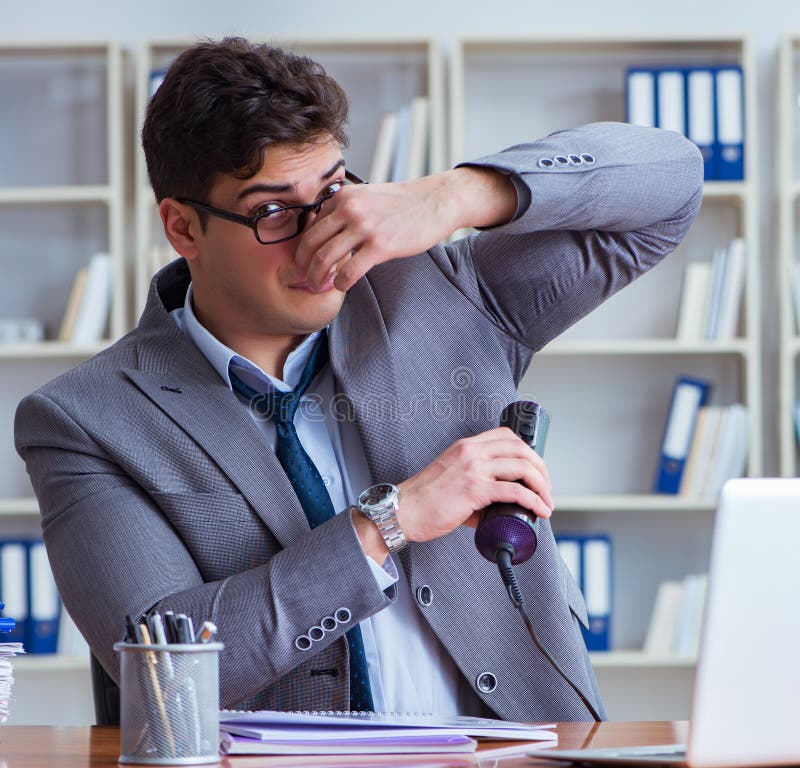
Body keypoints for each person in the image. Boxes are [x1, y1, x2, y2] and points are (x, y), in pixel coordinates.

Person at [15, 37, 702, 721]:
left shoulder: (442, 293)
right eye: (274, 211)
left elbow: (670, 182)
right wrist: (387, 523)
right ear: (183, 228)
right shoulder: (87, 419)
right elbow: (164, 669)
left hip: (523, 761)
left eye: (334, 191)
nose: (324, 236)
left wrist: (453, 196)